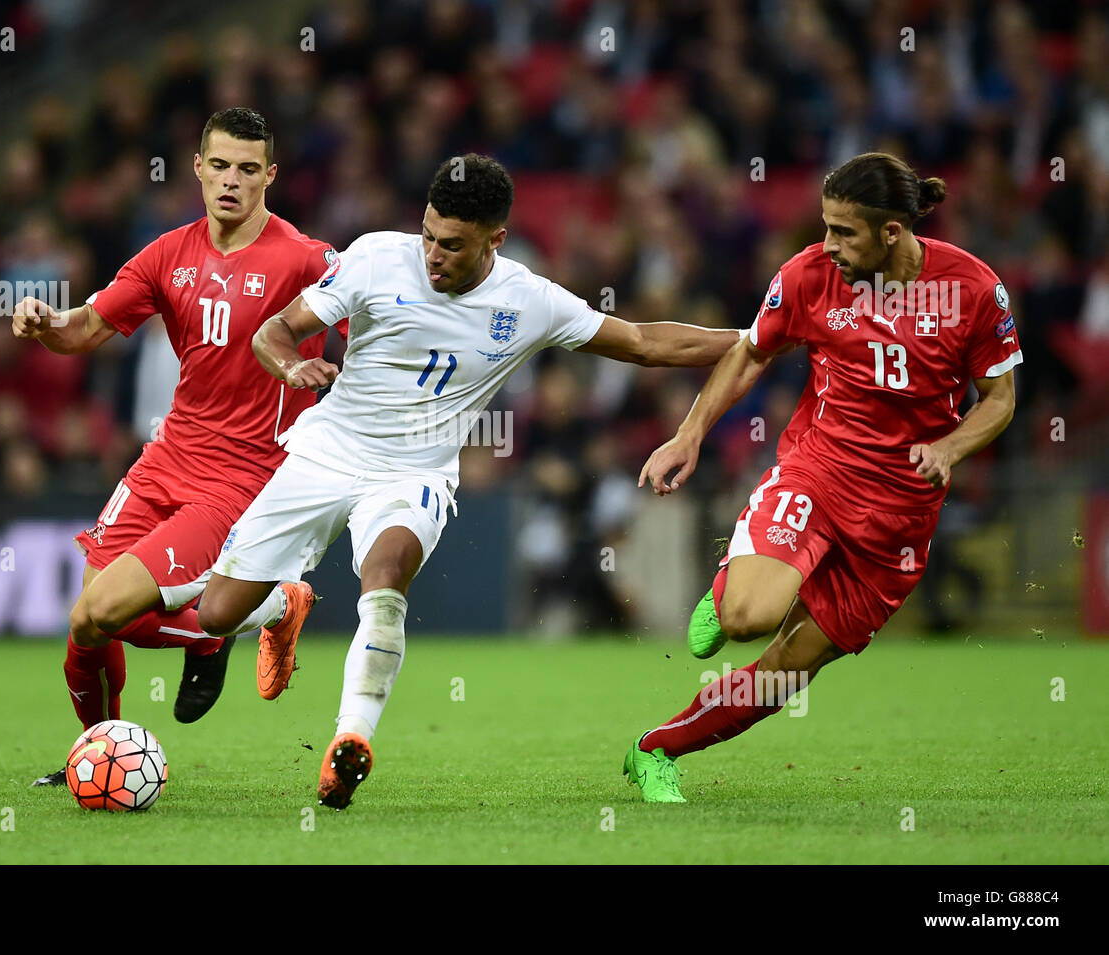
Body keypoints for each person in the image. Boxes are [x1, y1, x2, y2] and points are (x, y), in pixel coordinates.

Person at [195, 153, 742, 809]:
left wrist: (759, 334)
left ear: (495, 240)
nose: (432, 253)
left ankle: (350, 742)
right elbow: (276, 329)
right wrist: (290, 367)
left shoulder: (527, 299)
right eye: (428, 234)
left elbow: (644, 342)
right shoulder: (375, 258)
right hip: (328, 450)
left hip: (415, 470)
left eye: (452, 244)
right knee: (215, 612)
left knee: (387, 572)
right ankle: (285, 606)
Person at [623, 152, 1022, 802]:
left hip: (901, 515)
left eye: (845, 232)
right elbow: (752, 351)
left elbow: (1000, 399)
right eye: (826, 227)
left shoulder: (972, 289)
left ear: (891, 232)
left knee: (786, 670)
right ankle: (733, 587)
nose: (828, 245)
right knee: (751, 617)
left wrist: (951, 446)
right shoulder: (808, 275)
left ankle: (655, 751)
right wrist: (690, 433)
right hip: (820, 471)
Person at [12, 108, 343, 785]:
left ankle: (261, 610)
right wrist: (46, 322)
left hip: (241, 478)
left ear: (270, 177)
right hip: (166, 457)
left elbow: (378, 304)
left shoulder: (306, 260)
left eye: (248, 170)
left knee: (107, 609)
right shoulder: (168, 254)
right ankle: (99, 755)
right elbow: (82, 330)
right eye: (219, 165)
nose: (231, 181)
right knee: (86, 627)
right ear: (197, 167)